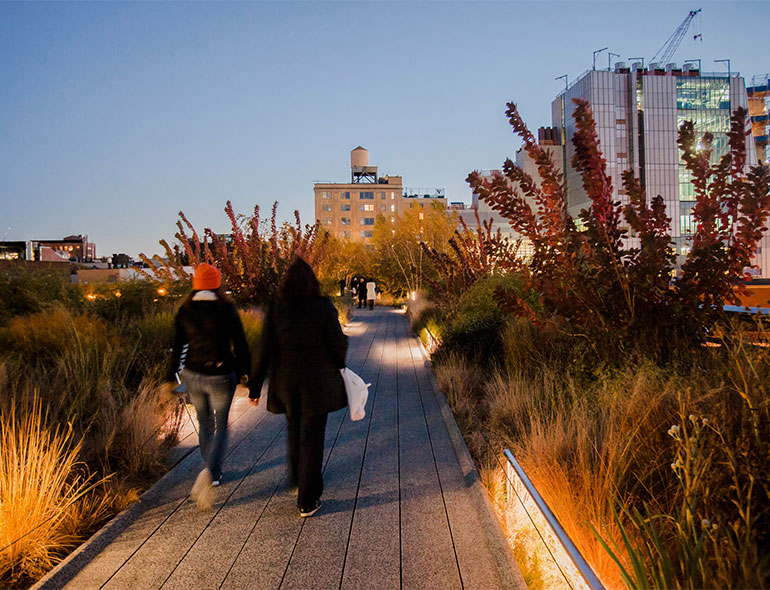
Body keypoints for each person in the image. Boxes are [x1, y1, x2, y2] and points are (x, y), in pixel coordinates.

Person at [248, 257, 348, 517]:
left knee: (294, 429)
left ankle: (296, 478)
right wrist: (340, 364)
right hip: (317, 380)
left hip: (286, 381)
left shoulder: (277, 308)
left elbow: (264, 348)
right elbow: (337, 342)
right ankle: (308, 498)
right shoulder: (323, 306)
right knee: (312, 438)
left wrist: (255, 387)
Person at [165, 263, 250, 510]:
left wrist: (169, 377)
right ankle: (210, 473)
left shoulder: (185, 310)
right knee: (222, 425)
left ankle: (212, 471)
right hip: (221, 374)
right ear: (217, 284)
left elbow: (178, 346)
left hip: (193, 374)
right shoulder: (226, 309)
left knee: (205, 424)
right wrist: (247, 375)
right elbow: (241, 344)